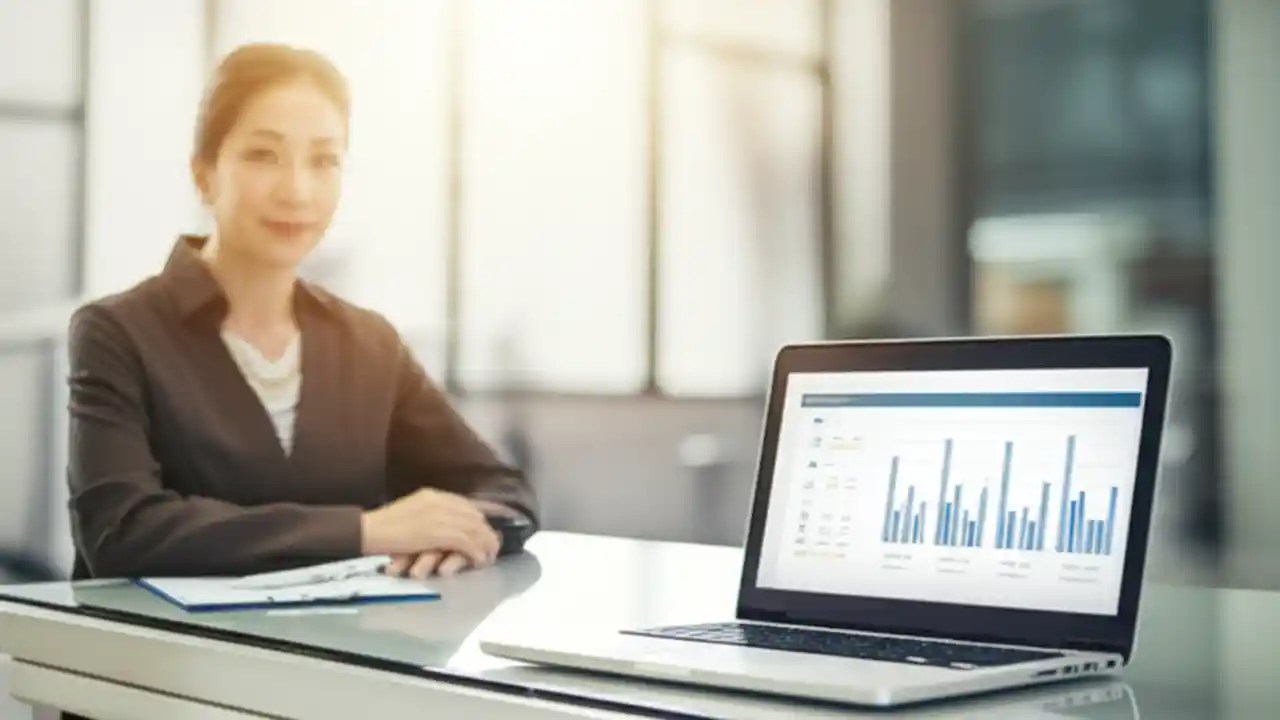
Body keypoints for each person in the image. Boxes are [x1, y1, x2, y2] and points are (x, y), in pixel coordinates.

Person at [65, 43, 536, 586]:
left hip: (338, 660)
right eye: (264, 155)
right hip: (162, 661)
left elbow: (503, 490)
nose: (297, 189)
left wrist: (462, 534)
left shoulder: (367, 343)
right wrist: (369, 531)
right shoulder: (118, 332)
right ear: (204, 175)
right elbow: (120, 533)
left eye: (324, 160)